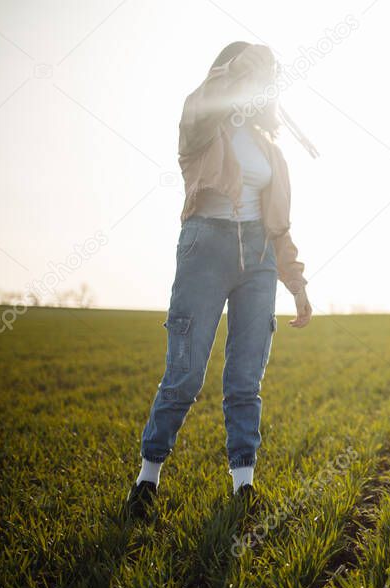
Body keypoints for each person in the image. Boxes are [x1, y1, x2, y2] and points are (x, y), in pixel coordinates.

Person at [127, 42, 312, 516]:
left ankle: (243, 486)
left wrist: (296, 284)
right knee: (185, 374)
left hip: (259, 257)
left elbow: (280, 227)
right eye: (246, 76)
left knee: (245, 378)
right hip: (205, 248)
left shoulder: (270, 149)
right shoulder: (202, 128)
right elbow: (201, 102)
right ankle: (148, 479)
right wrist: (236, 67)